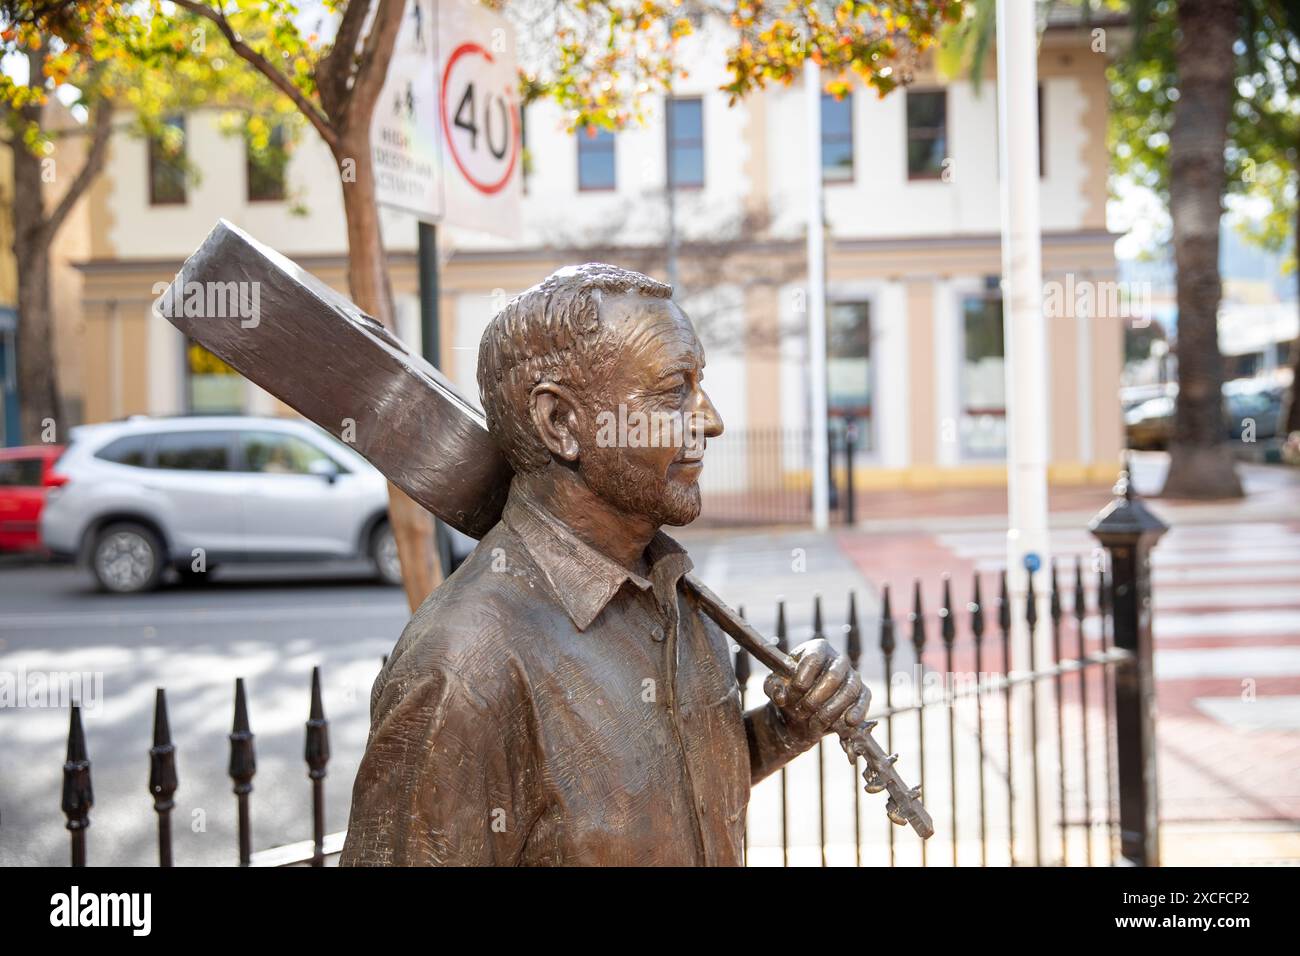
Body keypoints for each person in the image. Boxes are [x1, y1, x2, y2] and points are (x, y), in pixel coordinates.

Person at [340, 263, 868, 865]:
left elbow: (656, 800)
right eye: (674, 390)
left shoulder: (672, 592)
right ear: (561, 422)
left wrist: (783, 727)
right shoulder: (464, 667)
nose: (710, 419)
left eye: (700, 385)